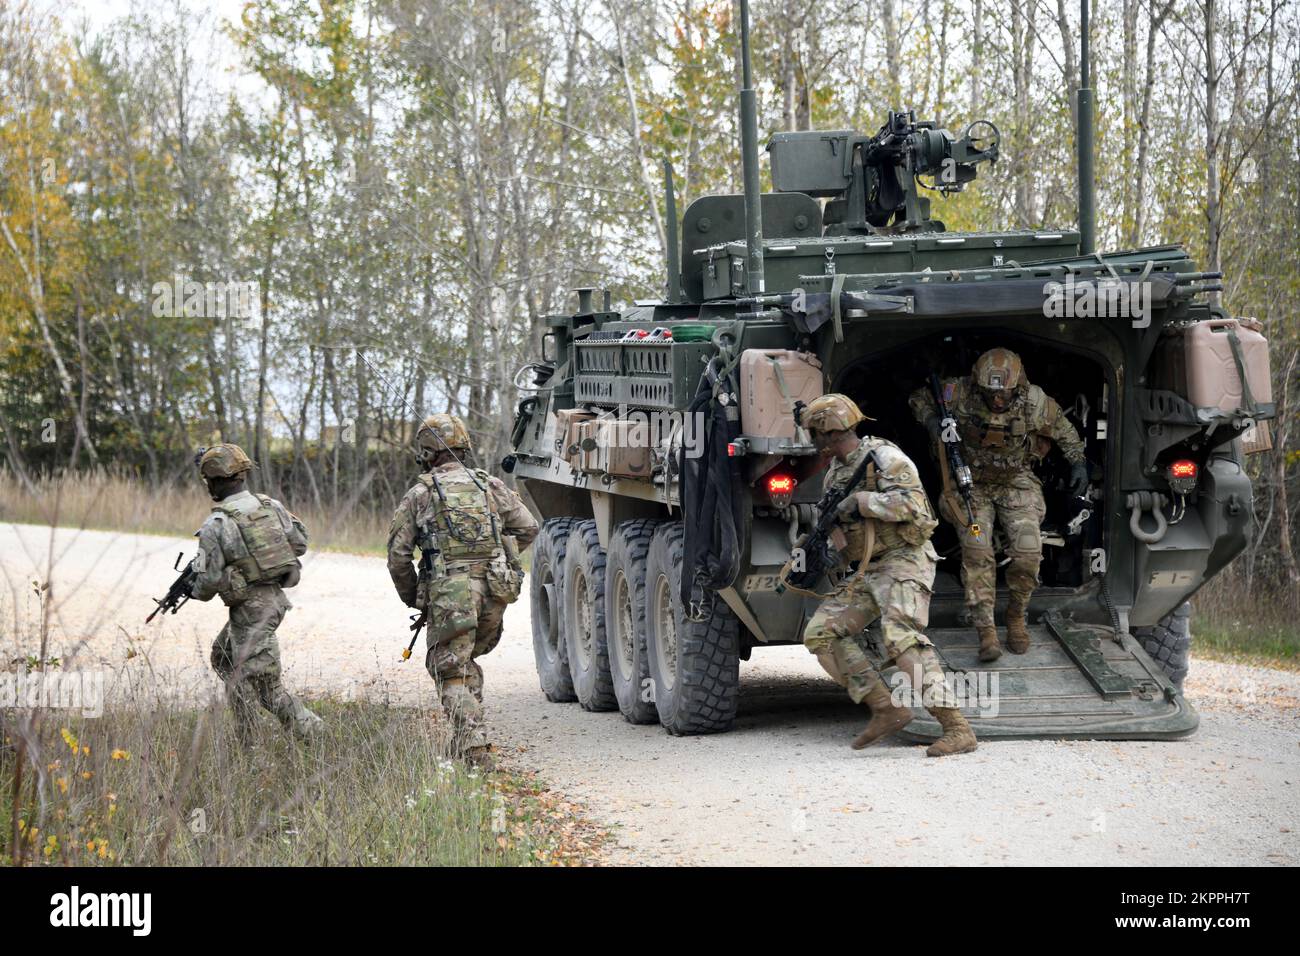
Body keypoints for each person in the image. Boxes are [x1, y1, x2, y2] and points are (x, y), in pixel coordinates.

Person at [799, 394, 977, 757]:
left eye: (816, 434)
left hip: (906, 558)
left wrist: (865, 503)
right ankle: (884, 707)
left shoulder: (884, 458)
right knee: (822, 633)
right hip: (871, 566)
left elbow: (915, 505)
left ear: (828, 432)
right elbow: (845, 539)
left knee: (901, 637)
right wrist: (818, 548)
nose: (814, 442)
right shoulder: (837, 471)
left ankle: (957, 728)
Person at [910, 347, 1088, 661]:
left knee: (1029, 553)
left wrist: (1078, 464)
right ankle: (986, 630)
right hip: (970, 484)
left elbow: (1065, 432)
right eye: (991, 393)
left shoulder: (1033, 401)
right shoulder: (960, 394)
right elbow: (919, 399)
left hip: (1015, 481)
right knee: (977, 553)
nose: (997, 400)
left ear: (1015, 387)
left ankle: (1016, 615)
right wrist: (933, 422)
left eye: (1003, 394)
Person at [387, 413, 538, 768]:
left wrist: (416, 594)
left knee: (446, 668)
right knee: (464, 660)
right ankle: (462, 746)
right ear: (464, 447)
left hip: (450, 594)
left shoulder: (420, 495)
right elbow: (529, 527)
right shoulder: (491, 486)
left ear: (426, 452)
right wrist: (501, 559)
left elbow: (397, 557)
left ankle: (475, 747)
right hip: (496, 591)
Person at [191, 443, 323, 741]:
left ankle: (317, 736)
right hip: (271, 603)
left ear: (212, 481)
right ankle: (248, 736)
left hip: (252, 612)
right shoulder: (269, 505)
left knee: (268, 690)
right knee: (223, 656)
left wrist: (208, 579)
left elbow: (205, 587)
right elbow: (300, 543)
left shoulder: (216, 525)